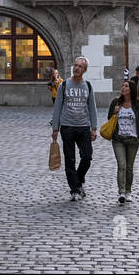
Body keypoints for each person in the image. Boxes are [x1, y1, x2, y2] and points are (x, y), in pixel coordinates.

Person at [50, 56, 97, 200]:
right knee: (70, 160)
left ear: (85, 70)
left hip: (83, 126)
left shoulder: (87, 86)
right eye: (75, 65)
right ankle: (75, 189)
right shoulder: (64, 85)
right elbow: (57, 107)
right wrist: (55, 128)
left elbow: (92, 108)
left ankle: (78, 178)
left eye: (80, 67)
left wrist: (94, 128)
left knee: (87, 156)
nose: (76, 68)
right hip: (67, 126)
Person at [109, 80, 139, 204]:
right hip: (118, 139)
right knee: (122, 166)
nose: (123, 88)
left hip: (133, 140)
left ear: (131, 89)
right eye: (123, 86)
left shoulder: (138, 103)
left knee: (129, 168)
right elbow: (109, 118)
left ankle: (128, 191)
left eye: (126, 86)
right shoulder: (116, 102)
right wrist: (114, 113)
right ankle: (121, 192)